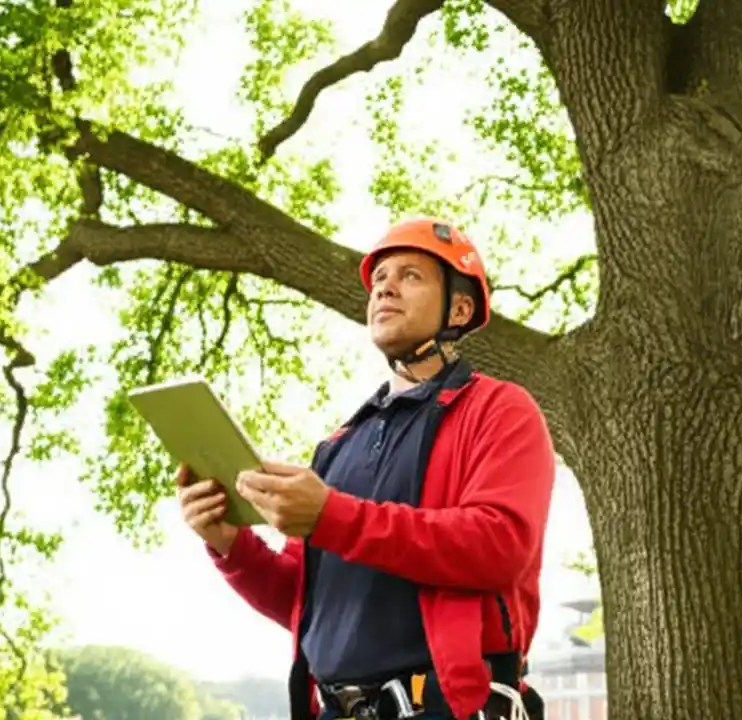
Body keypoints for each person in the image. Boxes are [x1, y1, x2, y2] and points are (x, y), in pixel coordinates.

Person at [176, 218, 556, 720]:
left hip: (448, 709)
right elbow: (305, 599)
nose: (385, 289)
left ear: (460, 309)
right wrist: (230, 545)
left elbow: (499, 545)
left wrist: (331, 515)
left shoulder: (500, 409)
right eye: (379, 280)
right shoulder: (339, 444)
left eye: (410, 276)